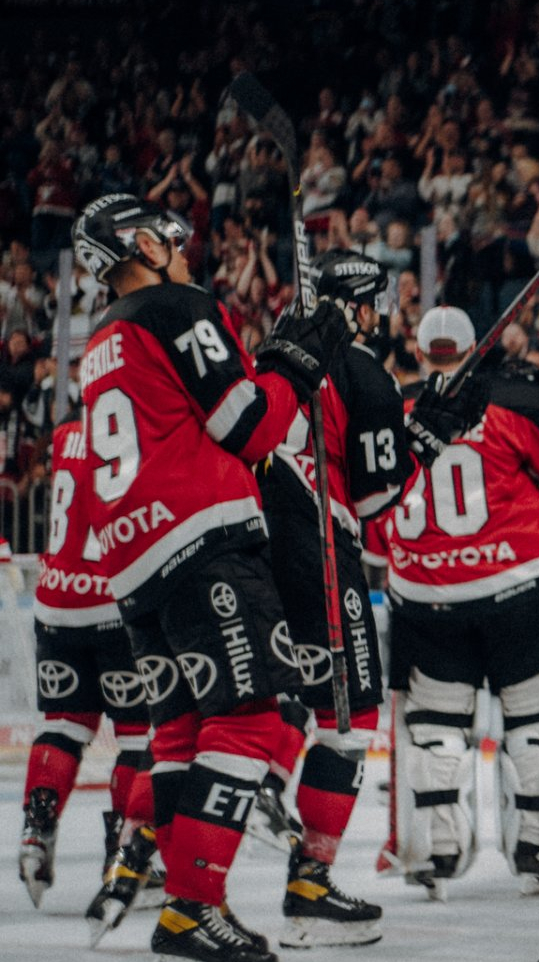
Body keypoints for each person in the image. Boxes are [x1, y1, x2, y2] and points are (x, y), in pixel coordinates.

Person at [70, 192, 350, 962]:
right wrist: (301, 361)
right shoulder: (176, 305)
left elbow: (187, 412)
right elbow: (250, 426)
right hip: (202, 542)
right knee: (256, 718)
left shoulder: (98, 337)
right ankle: (192, 905)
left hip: (134, 562)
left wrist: (280, 358)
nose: (184, 250)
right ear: (144, 247)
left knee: (181, 733)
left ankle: (181, 895)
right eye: (171, 238)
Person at [376, 305, 539, 900]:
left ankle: (436, 848)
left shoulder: (392, 411)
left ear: (419, 351)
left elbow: (371, 519)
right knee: (538, 726)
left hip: (424, 599)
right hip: (520, 588)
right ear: (479, 347)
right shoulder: (513, 398)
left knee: (434, 729)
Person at [253, 250, 411, 948]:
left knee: (285, 685)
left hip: (254, 539)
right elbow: (379, 496)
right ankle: (309, 886)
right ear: (363, 306)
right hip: (320, 540)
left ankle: (263, 777)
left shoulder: (272, 354)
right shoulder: (364, 370)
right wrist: (419, 441)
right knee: (349, 714)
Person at [19, 416, 155, 913]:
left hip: (55, 600)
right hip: (112, 601)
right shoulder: (141, 427)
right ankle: (122, 853)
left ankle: (36, 830)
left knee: (63, 723)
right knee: (141, 734)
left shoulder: (65, 433)